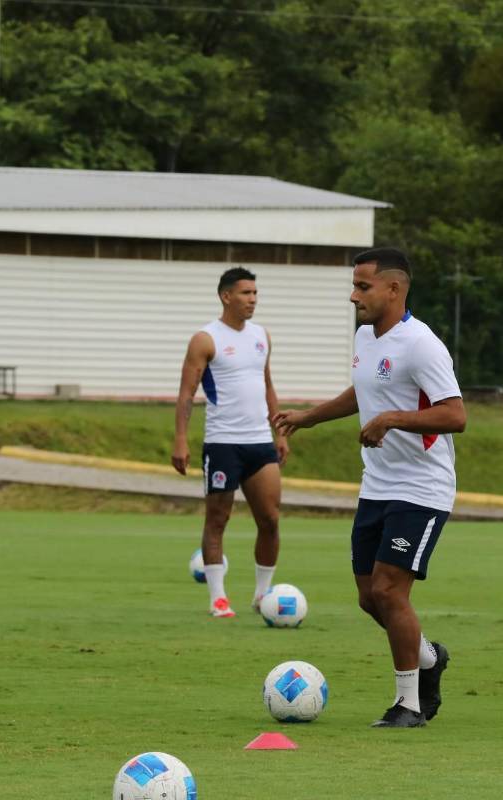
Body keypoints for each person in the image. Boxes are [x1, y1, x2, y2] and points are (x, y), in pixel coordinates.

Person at [274, 247, 465, 728]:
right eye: (354, 285)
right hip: (376, 484)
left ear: (394, 289)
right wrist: (308, 417)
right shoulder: (365, 335)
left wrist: (392, 420)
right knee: (368, 597)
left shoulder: (421, 344)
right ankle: (428, 657)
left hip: (422, 488)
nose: (353, 295)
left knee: (389, 590)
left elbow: (455, 414)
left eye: (363, 286)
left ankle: (410, 704)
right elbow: (362, 390)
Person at [172, 267, 288, 619]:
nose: (253, 299)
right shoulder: (205, 339)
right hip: (222, 443)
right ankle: (218, 598)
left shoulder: (261, 336)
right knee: (217, 520)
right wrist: (180, 439)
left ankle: (261, 595)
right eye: (245, 293)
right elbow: (186, 393)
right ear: (226, 296)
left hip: (259, 443)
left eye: (255, 293)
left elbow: (267, 385)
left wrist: (279, 430)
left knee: (269, 520)